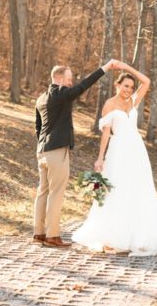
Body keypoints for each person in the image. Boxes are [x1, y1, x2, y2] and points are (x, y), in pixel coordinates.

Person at [72, 64, 157, 256]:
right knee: (116, 190)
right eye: (125, 86)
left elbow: (147, 82)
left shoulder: (133, 102)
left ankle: (133, 237)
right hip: (118, 151)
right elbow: (106, 133)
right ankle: (111, 237)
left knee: (136, 190)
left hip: (136, 151)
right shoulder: (109, 104)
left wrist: (126, 68)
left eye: (131, 87)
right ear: (117, 85)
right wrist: (100, 158)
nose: (128, 90)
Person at [33, 60, 120, 248]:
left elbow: (38, 128)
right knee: (56, 193)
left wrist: (42, 147)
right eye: (69, 79)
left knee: (43, 192)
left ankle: (39, 233)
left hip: (42, 152)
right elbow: (83, 86)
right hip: (57, 151)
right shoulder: (60, 93)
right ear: (58, 78)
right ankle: (52, 236)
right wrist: (105, 68)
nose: (71, 83)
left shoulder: (41, 98)